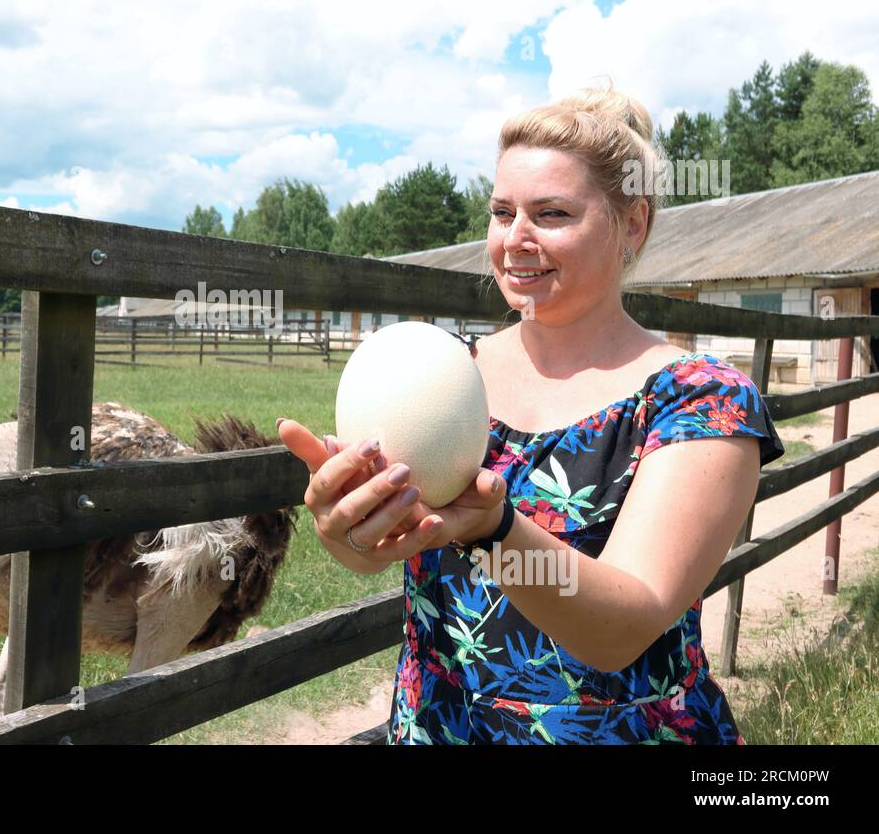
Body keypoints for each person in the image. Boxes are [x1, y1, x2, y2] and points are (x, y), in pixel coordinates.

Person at [277, 84, 785, 744]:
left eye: (550, 214)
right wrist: (351, 531)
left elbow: (622, 631)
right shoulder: (445, 378)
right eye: (501, 212)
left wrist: (494, 533)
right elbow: (387, 556)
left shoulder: (700, 400)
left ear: (631, 224)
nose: (515, 239)